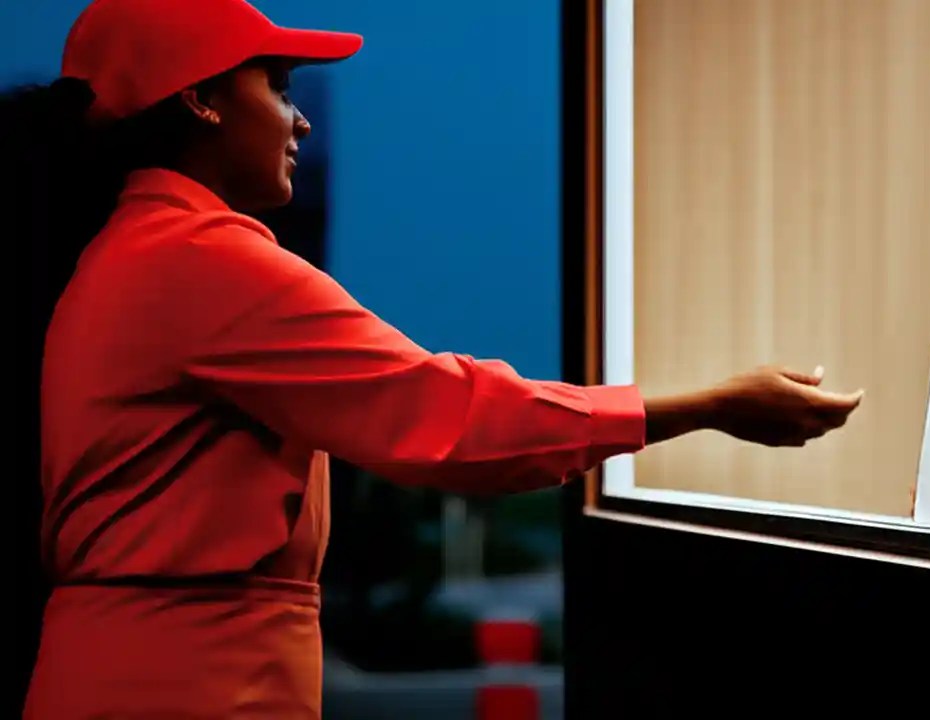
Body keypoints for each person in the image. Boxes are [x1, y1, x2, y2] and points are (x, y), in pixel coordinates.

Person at [11, 0, 864, 716]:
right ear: (199, 100)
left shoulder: (132, 253)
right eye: (276, 86)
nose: (300, 117)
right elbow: (454, 420)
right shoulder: (201, 261)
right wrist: (708, 407)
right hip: (182, 688)